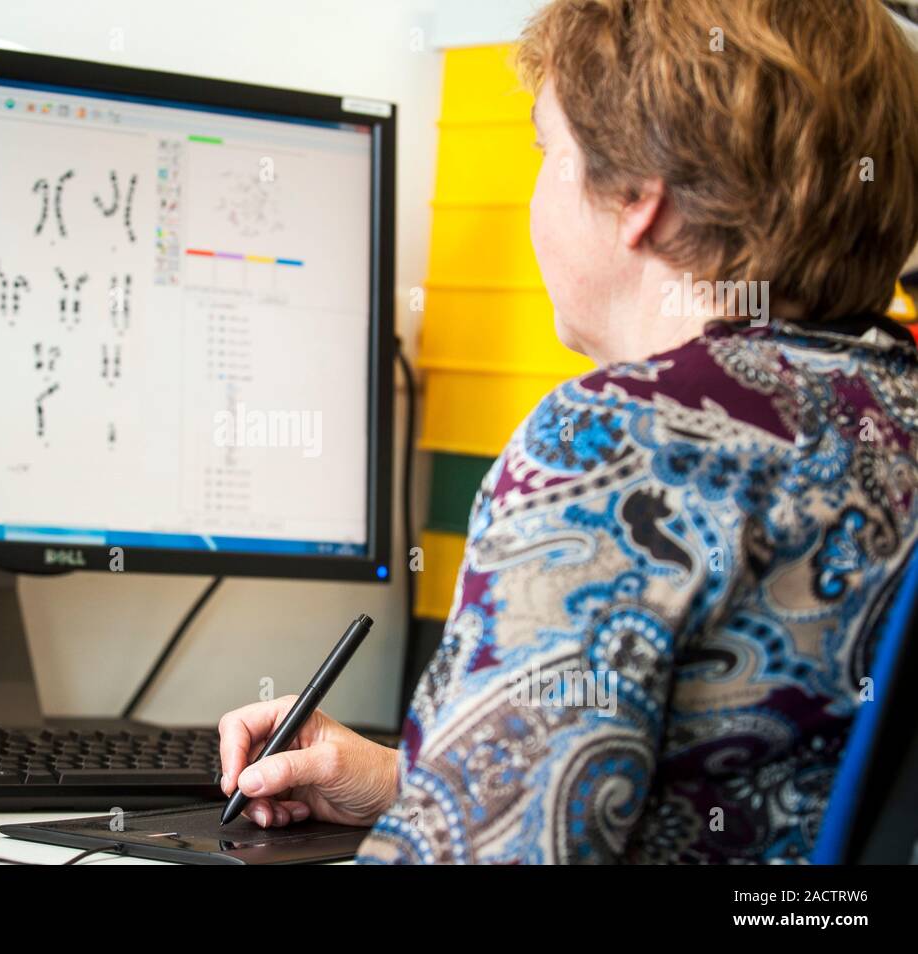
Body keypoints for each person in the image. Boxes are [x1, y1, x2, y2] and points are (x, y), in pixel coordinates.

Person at [217, 0, 918, 863]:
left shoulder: (618, 445)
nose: (536, 192)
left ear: (636, 199)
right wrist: (417, 784)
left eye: (548, 152)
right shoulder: (897, 416)